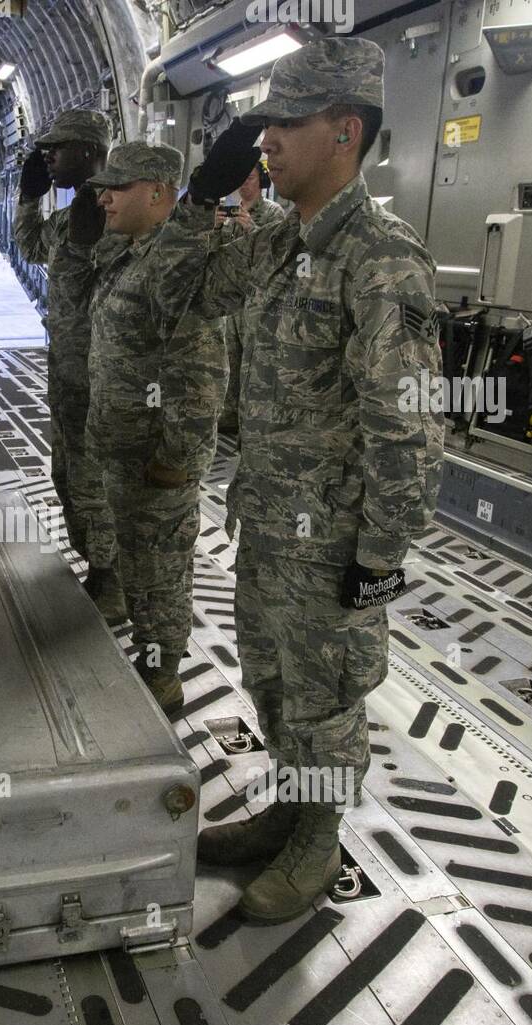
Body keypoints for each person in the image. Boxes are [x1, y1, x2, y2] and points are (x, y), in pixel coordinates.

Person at [186, 38, 446, 923]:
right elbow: (190, 292)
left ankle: (318, 836)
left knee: (326, 696)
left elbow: (406, 428)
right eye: (264, 124)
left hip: (334, 538)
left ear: (346, 130)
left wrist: (379, 556)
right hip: (265, 519)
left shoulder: (381, 259)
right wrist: (196, 199)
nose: (267, 140)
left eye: (284, 124)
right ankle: (290, 811)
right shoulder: (274, 242)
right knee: (270, 680)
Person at [49, 143, 224, 715]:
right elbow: (74, 303)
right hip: (122, 451)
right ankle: (150, 665)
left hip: (155, 459)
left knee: (160, 575)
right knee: (138, 569)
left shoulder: (173, 266)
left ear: (157, 191)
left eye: (117, 187)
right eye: (103, 186)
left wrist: (177, 460)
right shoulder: (128, 255)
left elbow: (199, 371)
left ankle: (160, 681)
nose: (104, 197)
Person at [13, 110, 127, 623]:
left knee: (95, 481)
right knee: (67, 476)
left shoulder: (115, 213)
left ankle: (113, 578)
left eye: (55, 151)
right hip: (67, 371)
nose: (49, 159)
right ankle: (95, 564)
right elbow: (32, 246)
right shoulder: (66, 217)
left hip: (102, 378)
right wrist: (29, 197)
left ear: (86, 151)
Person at [214, 163, 285, 433]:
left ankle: (250, 422)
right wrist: (215, 227)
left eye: (250, 177)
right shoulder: (227, 212)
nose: (245, 184)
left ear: (261, 180)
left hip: (257, 303)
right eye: (240, 178)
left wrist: (251, 227)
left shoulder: (272, 212)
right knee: (229, 360)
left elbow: (276, 255)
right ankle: (228, 419)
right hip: (228, 303)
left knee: (253, 364)